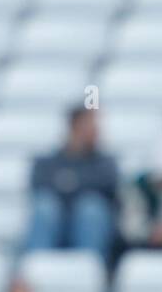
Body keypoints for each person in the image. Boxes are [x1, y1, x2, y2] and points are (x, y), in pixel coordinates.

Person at [24, 105, 119, 255]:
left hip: (88, 223)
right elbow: (39, 187)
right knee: (45, 207)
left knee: (91, 208)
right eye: (91, 125)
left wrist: (67, 185)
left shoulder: (105, 164)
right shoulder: (46, 163)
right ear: (75, 126)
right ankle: (37, 266)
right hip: (56, 221)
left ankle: (90, 265)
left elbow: (108, 188)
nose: (97, 130)